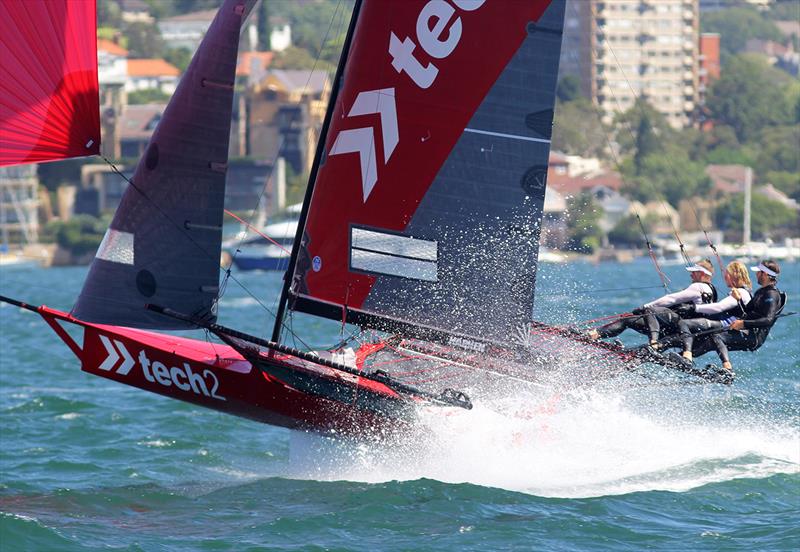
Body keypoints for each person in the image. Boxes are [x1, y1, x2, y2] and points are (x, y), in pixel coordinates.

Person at [587, 259, 717, 346]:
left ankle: (594, 335)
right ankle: (649, 349)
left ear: (701, 273)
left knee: (627, 320)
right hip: (689, 332)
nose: (691, 275)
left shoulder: (697, 287)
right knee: (635, 320)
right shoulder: (712, 290)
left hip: (676, 328)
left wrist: (645, 307)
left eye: (694, 272)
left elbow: (670, 299)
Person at [698, 259, 785, 374]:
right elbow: (746, 312)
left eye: (759, 272)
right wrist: (738, 300)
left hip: (754, 338)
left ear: (765, 275)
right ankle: (684, 360)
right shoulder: (761, 292)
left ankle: (728, 370)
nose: (756, 274)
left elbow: (768, 320)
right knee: (709, 341)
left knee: (717, 337)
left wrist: (743, 324)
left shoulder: (772, 295)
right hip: (747, 332)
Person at [673, 261, 752, 366]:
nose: (725, 277)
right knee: (698, 345)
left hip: (727, 325)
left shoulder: (741, 292)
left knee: (684, 324)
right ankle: (676, 359)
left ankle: (687, 357)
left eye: (726, 274)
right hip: (727, 324)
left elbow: (719, 307)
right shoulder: (742, 291)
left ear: (734, 275)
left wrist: (693, 308)